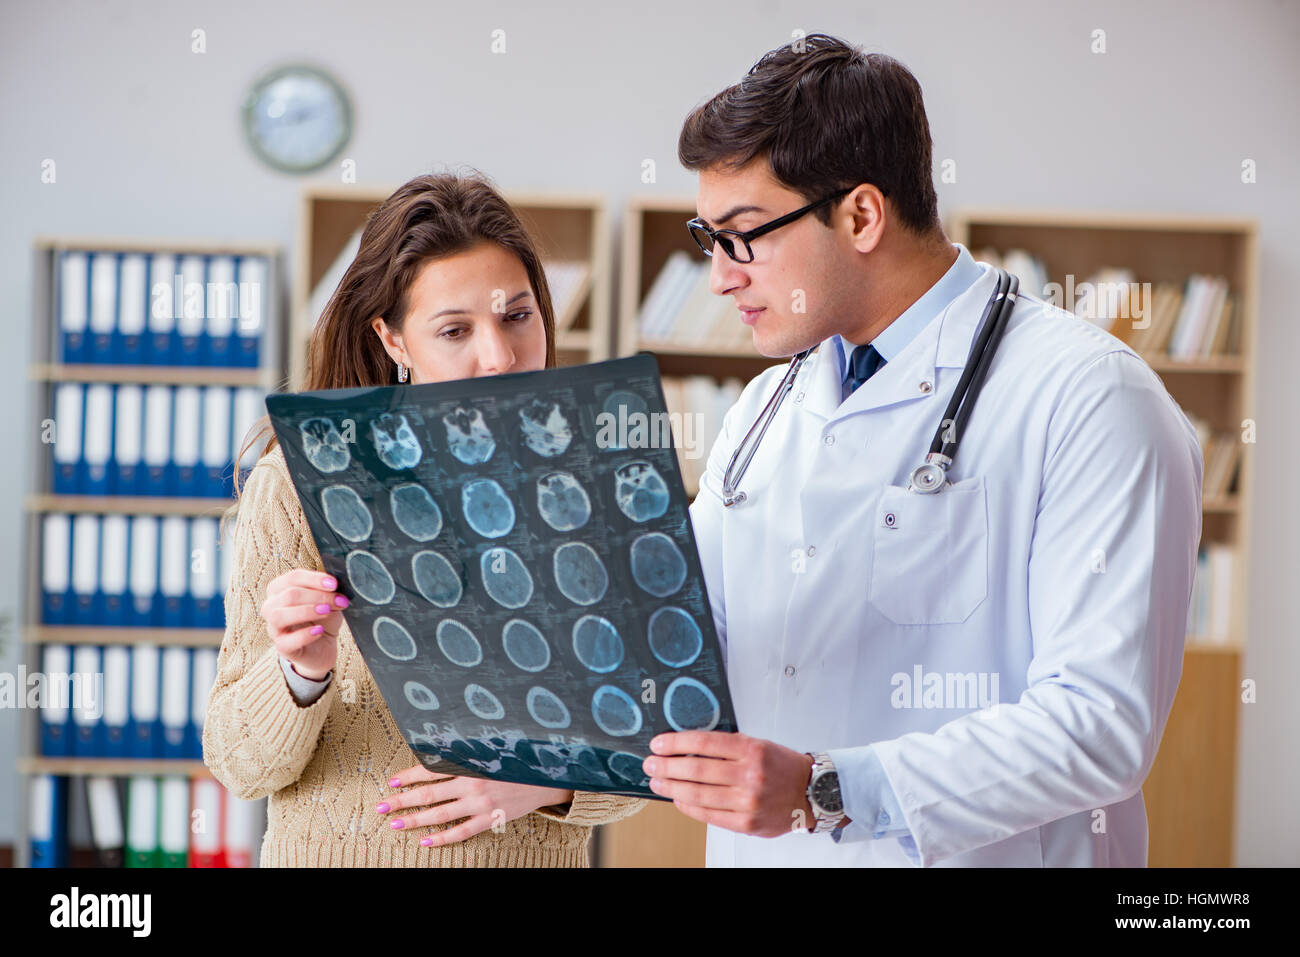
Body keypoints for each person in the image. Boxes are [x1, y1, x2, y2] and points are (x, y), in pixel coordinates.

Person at [641, 34, 1204, 866]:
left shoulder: (1088, 397)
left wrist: (827, 790)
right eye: (707, 235)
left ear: (861, 215)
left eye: (744, 234)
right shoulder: (766, 407)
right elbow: (695, 636)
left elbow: (1100, 725)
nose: (721, 275)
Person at [203, 172, 646, 867]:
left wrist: (543, 782)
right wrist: (299, 671)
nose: (499, 354)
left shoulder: (597, 486)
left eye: (517, 315)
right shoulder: (297, 482)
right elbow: (239, 763)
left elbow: (657, 753)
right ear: (394, 339)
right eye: (455, 330)